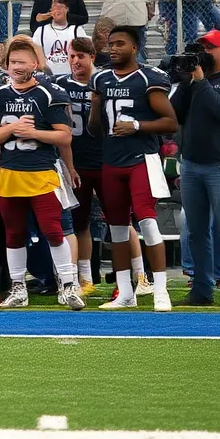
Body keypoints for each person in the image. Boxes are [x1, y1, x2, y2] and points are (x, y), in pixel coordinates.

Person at [0, 36, 82, 309]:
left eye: (22, 61)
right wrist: (12, 130)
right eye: (13, 62)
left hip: (41, 173)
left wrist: (33, 132)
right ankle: (18, 288)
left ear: (35, 64)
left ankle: (69, 285)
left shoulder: (49, 94)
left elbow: (65, 137)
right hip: (10, 173)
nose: (16, 66)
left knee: (53, 230)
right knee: (14, 233)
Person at [88, 25, 179, 311]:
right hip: (112, 160)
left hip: (142, 158)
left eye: (120, 44)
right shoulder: (101, 79)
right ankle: (126, 291)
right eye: (110, 44)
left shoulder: (147, 78)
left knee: (148, 223)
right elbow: (95, 129)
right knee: (115, 229)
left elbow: (171, 122)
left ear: (135, 47)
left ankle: (161, 290)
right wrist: (94, 105)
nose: (113, 48)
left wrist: (137, 125)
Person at [169, 29, 220, 307]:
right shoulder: (193, 81)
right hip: (191, 163)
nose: (204, 53)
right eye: (201, 48)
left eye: (210, 48)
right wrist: (183, 82)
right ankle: (202, 289)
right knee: (195, 230)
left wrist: (201, 81)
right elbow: (174, 114)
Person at [57, 36, 104, 294]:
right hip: (73, 161)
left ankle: (137, 276)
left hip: (104, 159)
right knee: (79, 222)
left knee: (122, 221)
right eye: (72, 56)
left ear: (92, 57)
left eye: (81, 56)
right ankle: (84, 277)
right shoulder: (60, 84)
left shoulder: (104, 81)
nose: (75, 61)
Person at [32, 0, 88, 76]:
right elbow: (36, 56)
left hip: (71, 76)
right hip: (48, 76)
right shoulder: (40, 31)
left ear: (67, 9)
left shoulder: (77, 30)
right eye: (54, 8)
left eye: (60, 7)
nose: (57, 10)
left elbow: (85, 56)